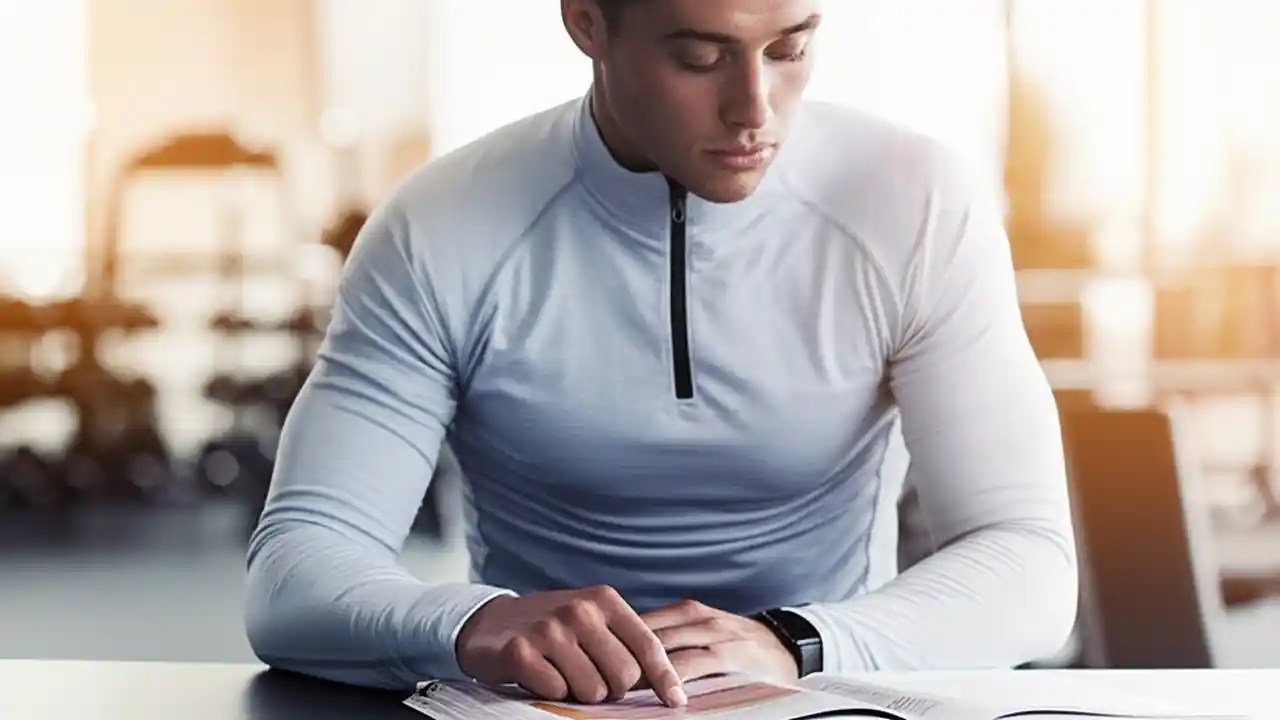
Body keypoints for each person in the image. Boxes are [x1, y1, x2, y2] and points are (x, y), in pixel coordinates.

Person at [244, 0, 1078, 708]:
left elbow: (1030, 563)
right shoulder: (440, 226)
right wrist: (473, 622)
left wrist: (795, 642)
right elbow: (294, 573)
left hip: (827, 697)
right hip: (543, 709)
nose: (754, 110)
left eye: (789, 49)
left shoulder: (915, 203)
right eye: (700, 57)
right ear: (586, 22)